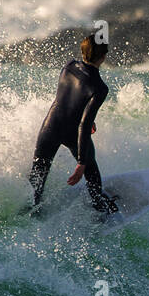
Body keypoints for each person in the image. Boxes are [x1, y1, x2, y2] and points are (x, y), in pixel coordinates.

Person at [27, 33, 116, 215]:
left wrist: (89, 118)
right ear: (103, 57)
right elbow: (84, 126)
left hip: (50, 126)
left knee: (37, 179)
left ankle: (29, 212)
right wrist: (82, 163)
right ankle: (100, 210)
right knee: (92, 175)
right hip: (72, 132)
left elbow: (70, 98)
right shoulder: (100, 88)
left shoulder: (68, 66)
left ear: (83, 51)